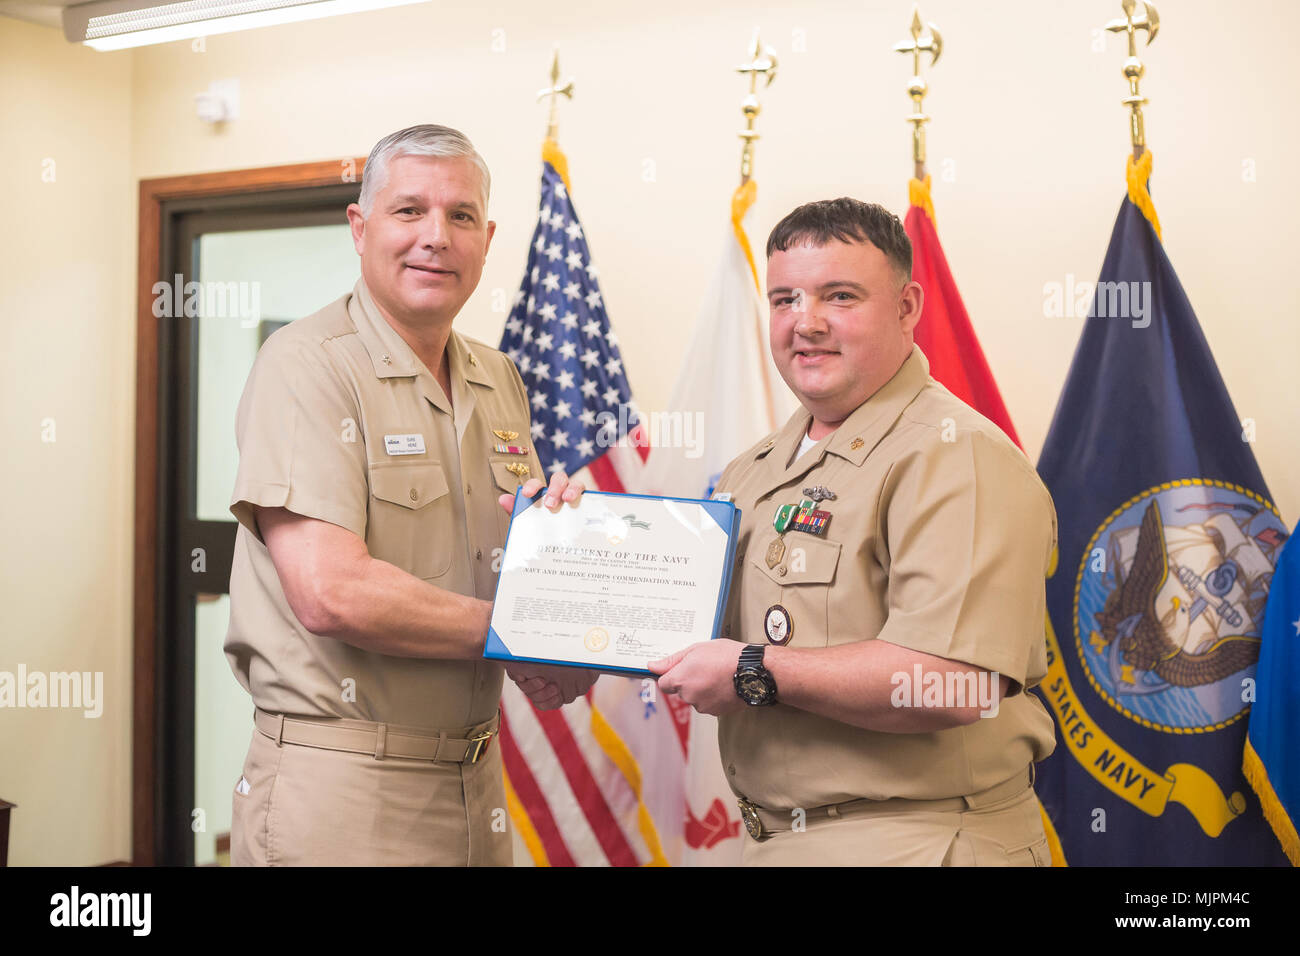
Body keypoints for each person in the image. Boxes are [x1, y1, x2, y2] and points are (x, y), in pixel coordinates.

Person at [225, 124, 592, 866]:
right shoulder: (307, 365)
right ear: (360, 228)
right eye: (409, 211)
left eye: (460, 216)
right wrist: (523, 625)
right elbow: (332, 592)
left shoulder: (499, 380)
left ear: (487, 239)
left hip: (477, 781)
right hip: (346, 786)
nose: (437, 236)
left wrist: (570, 593)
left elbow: (516, 602)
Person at [649, 198, 1058, 866]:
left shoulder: (956, 456)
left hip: (919, 841)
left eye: (839, 296)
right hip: (775, 839)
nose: (804, 323)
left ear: (906, 308)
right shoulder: (757, 469)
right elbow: (682, 627)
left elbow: (955, 683)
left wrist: (756, 671)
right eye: (784, 299)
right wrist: (564, 564)